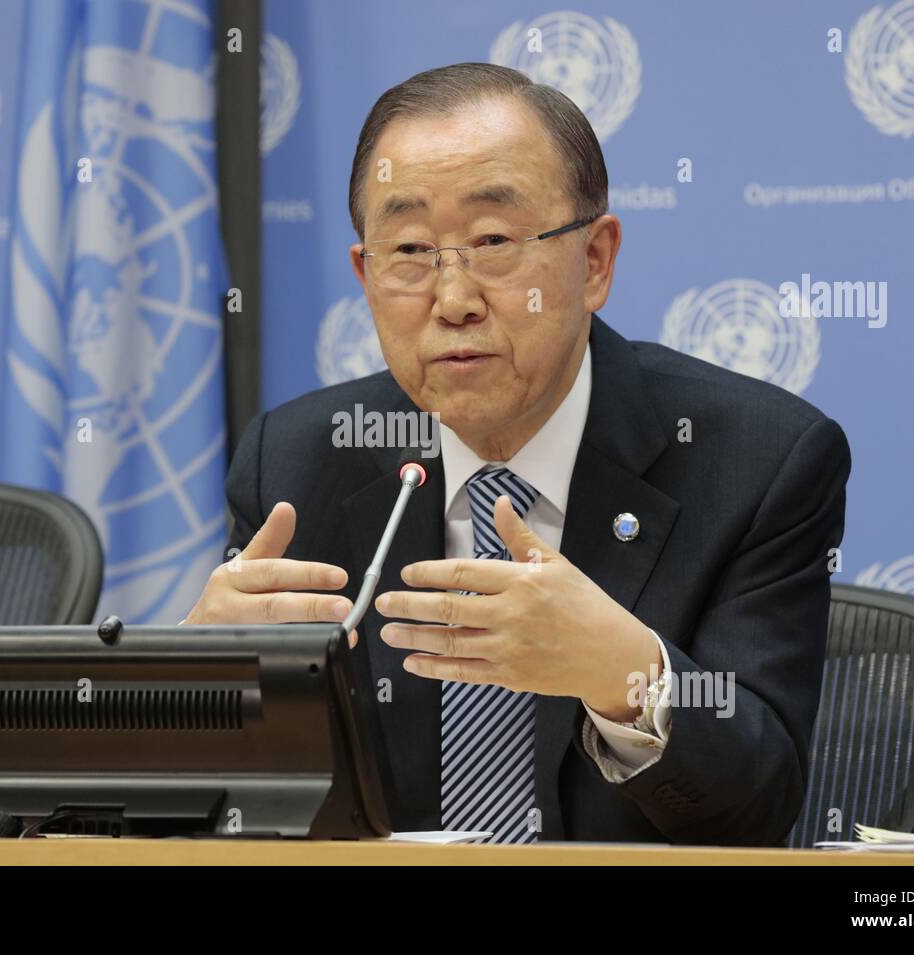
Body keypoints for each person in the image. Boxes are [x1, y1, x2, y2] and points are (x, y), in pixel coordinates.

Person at [186, 63, 851, 845]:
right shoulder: (297, 462)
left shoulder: (756, 460)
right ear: (366, 275)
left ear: (595, 260)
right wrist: (197, 687)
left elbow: (759, 808)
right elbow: (221, 818)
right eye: (409, 250)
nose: (454, 299)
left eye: (494, 241)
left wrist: (626, 676)